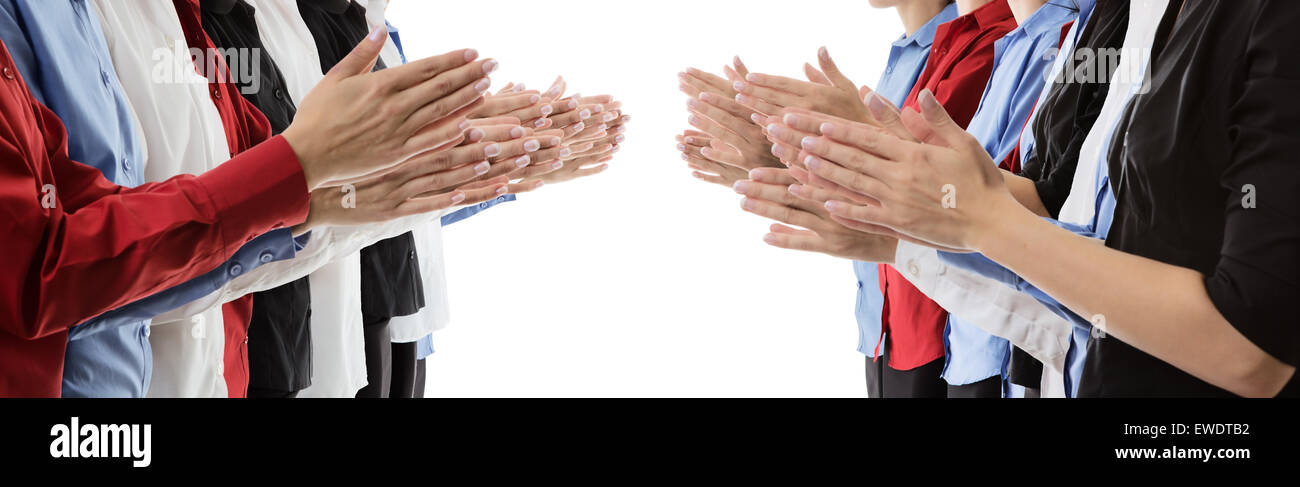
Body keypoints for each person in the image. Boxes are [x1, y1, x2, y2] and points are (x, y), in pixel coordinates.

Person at [769, 0, 1300, 397]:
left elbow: (1252, 345)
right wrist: (871, 175)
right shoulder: (1137, 17)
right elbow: (1068, 216)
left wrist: (975, 222)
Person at [0, 14, 491, 396]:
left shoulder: (194, 24)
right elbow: (52, 266)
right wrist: (304, 177)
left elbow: (107, 212)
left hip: (267, 361)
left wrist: (451, 169)